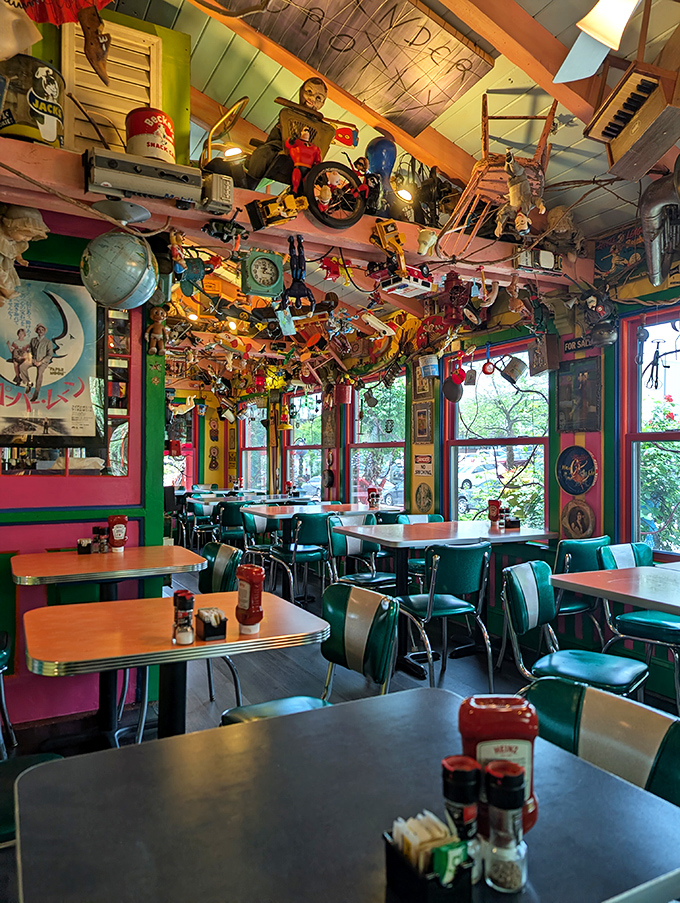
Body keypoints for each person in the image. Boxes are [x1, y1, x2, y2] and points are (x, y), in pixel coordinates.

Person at [19, 323, 54, 402]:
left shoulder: (48, 342)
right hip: (33, 360)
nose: (40, 331)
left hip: (42, 362)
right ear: (36, 331)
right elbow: (30, 351)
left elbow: (49, 355)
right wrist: (33, 360)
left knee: (39, 375)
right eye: (39, 330)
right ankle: (28, 383)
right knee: (22, 367)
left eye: (42, 330)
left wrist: (41, 362)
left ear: (44, 331)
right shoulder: (33, 340)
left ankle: (36, 394)